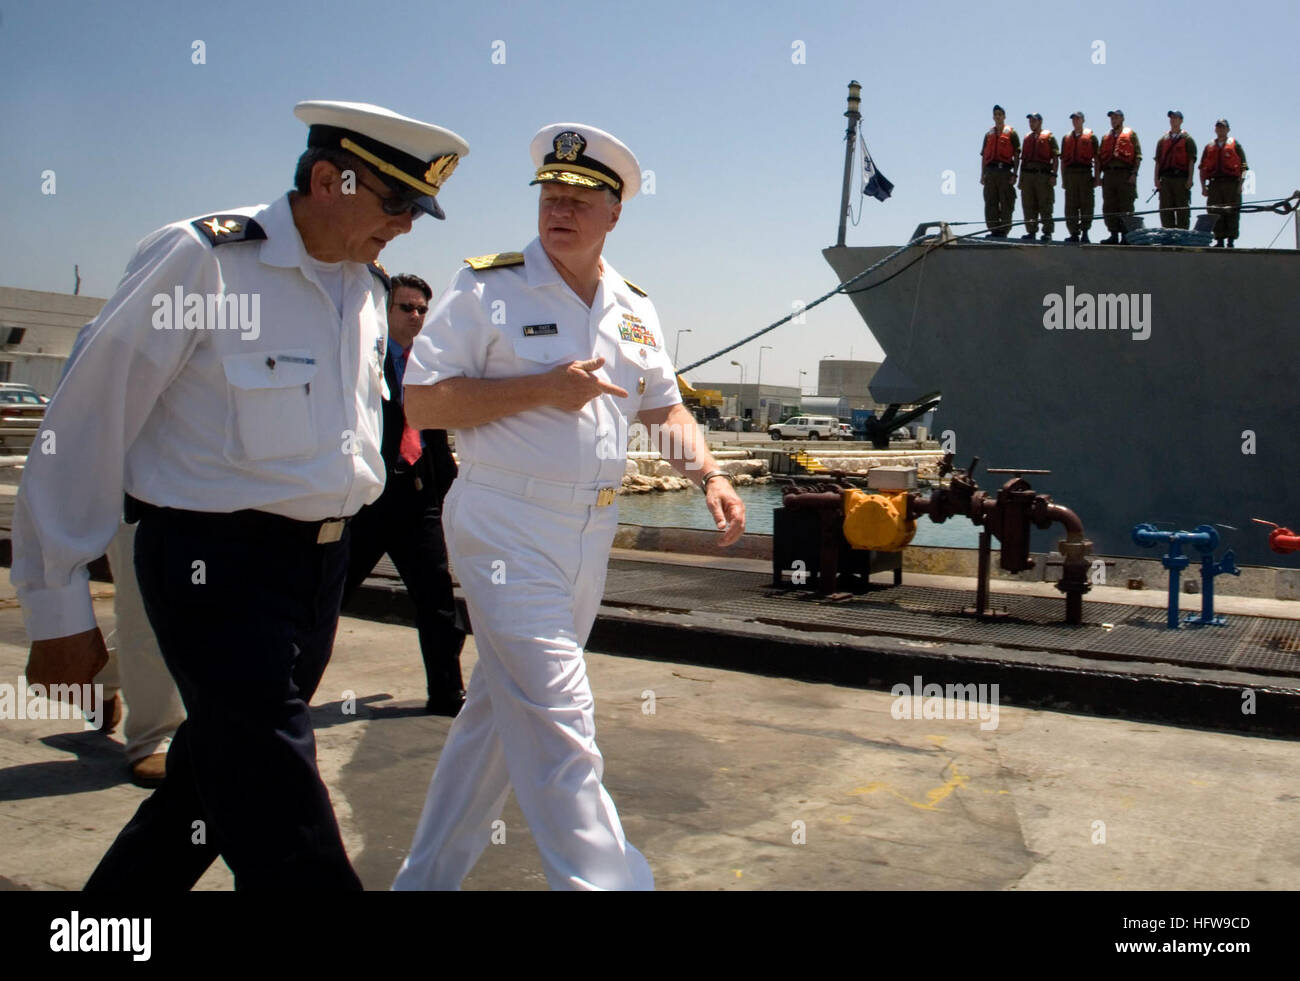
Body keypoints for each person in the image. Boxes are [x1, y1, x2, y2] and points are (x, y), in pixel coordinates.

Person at [14, 99, 468, 890]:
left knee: (209, 791)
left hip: (321, 571)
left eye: (415, 211)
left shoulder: (365, 288)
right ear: (329, 179)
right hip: (214, 567)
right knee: (284, 817)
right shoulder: (205, 261)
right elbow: (82, 425)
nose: (403, 226)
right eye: (395, 203)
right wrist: (57, 606)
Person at [392, 123, 746, 891]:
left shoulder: (634, 306)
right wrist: (543, 388)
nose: (560, 208)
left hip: (588, 533)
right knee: (560, 718)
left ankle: (422, 883)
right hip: (502, 524)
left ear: (613, 213)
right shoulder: (487, 287)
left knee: (497, 719)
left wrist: (708, 476)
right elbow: (421, 400)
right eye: (551, 195)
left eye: (580, 198)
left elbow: (663, 410)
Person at [340, 272, 466, 716]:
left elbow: (435, 436)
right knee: (327, 596)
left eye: (421, 309)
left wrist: (447, 493)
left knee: (437, 602)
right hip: (368, 501)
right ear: (385, 311)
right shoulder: (360, 358)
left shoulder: (429, 365)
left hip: (418, 501)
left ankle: (448, 694)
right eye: (405, 307)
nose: (415, 316)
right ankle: (286, 693)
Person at [1200, 118, 1248, 248]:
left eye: (1223, 127)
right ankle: (1219, 240)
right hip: (1214, 184)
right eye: (1218, 127)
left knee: (1232, 211)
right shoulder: (1209, 147)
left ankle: (1231, 241)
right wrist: (1203, 187)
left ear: (1228, 130)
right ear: (1215, 129)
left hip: (1232, 184)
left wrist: (1241, 184)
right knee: (1215, 211)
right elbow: (1202, 167)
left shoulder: (1235, 145)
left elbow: (1244, 166)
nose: (1220, 129)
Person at [1098, 109, 1142, 244]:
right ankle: (1113, 234)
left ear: (1122, 119)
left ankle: (1126, 235)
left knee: (1126, 205)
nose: (1113, 120)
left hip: (1125, 174)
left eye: (1116, 118)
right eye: (1112, 118)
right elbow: (1099, 158)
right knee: (1109, 205)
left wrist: (1134, 174)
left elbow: (1138, 156)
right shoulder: (1106, 137)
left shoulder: (1131, 135)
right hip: (1109, 174)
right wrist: (1098, 177)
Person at [980, 105, 1020, 237]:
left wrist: (1015, 174)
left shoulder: (1012, 134)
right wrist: (982, 175)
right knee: (990, 202)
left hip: (1005, 172)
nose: (997, 117)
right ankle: (994, 230)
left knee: (1006, 202)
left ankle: (1004, 230)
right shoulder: (988, 135)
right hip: (991, 172)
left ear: (1004, 116)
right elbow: (984, 156)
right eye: (995, 114)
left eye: (1000, 115)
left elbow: (1017, 155)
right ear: (993, 117)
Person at [1018, 113, 1058, 242]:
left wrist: (1054, 175)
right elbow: (1023, 160)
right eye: (1030, 121)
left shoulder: (1049, 137)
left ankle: (1047, 231)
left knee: (1045, 204)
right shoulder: (1027, 138)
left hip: (1043, 175)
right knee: (1029, 205)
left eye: (1034, 121)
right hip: (1028, 175)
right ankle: (1031, 231)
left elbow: (1056, 157)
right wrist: (1021, 179)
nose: (1031, 123)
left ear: (1040, 122)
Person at [1060, 111, 1100, 243]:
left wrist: (1097, 177)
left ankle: (1085, 232)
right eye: (1073, 119)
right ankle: (1073, 233)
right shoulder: (1066, 138)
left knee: (1086, 204)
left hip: (1085, 173)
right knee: (1070, 205)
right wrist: (1063, 179)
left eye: (1078, 119)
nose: (1075, 121)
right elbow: (1063, 161)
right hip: (1071, 174)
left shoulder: (1091, 137)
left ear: (1083, 120)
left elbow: (1097, 158)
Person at [1154, 110, 1196, 229]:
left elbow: (1191, 161)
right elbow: (1158, 161)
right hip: (1166, 179)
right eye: (1171, 118)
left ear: (1181, 120)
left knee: (1182, 208)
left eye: (1176, 118)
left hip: (1181, 178)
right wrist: (1156, 179)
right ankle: (1168, 235)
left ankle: (1182, 236)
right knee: (1165, 208)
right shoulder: (1162, 140)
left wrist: (1190, 179)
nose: (1173, 120)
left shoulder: (1188, 139)